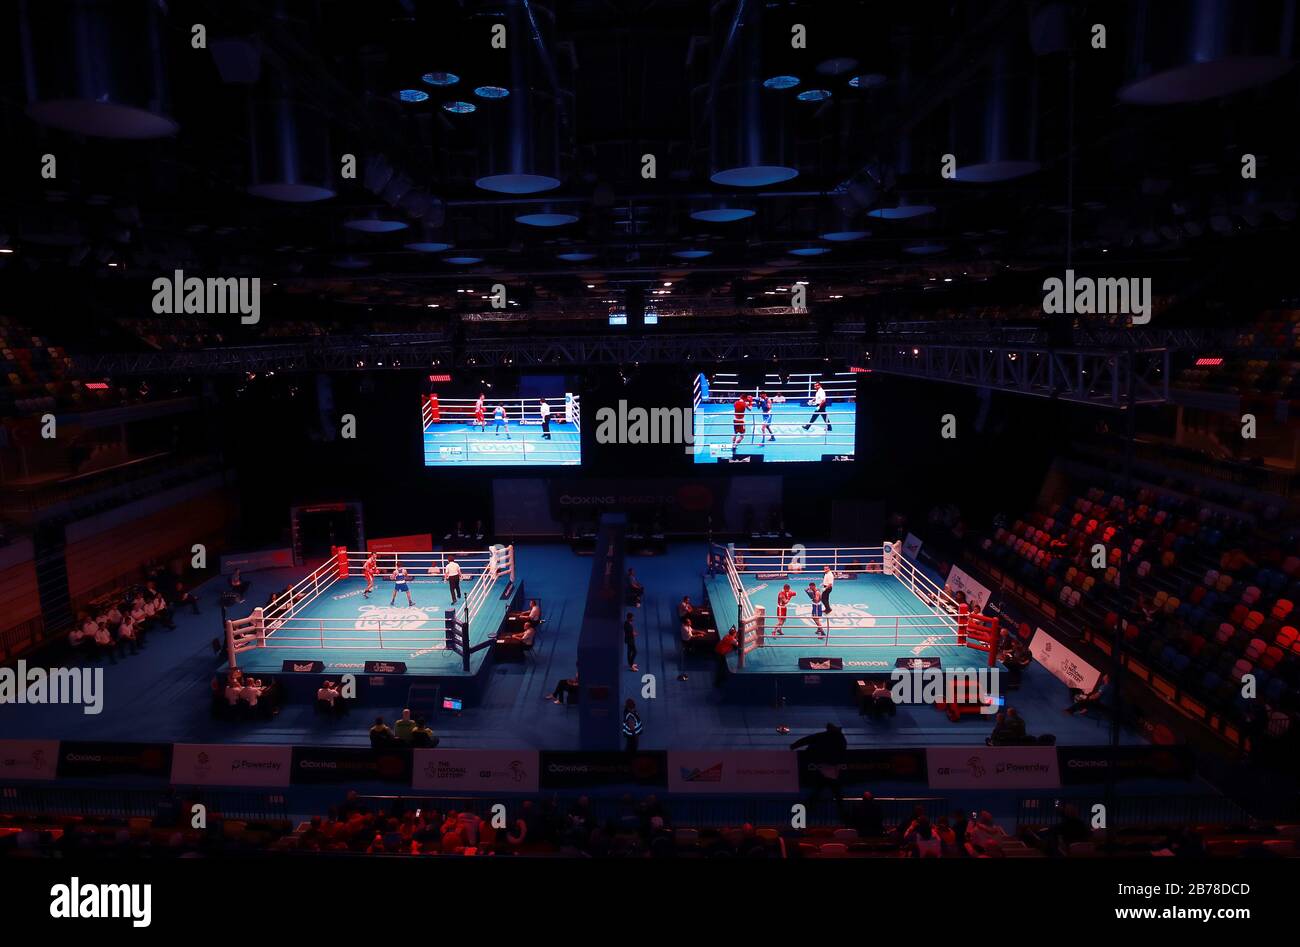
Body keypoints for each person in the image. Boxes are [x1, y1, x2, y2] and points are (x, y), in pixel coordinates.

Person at [790, 722, 847, 809]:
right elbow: (843, 748)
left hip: (823, 766)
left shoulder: (822, 736)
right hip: (832, 767)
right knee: (833, 790)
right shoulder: (840, 738)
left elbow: (806, 740)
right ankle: (842, 809)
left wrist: (794, 746)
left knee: (820, 788)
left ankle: (809, 805)